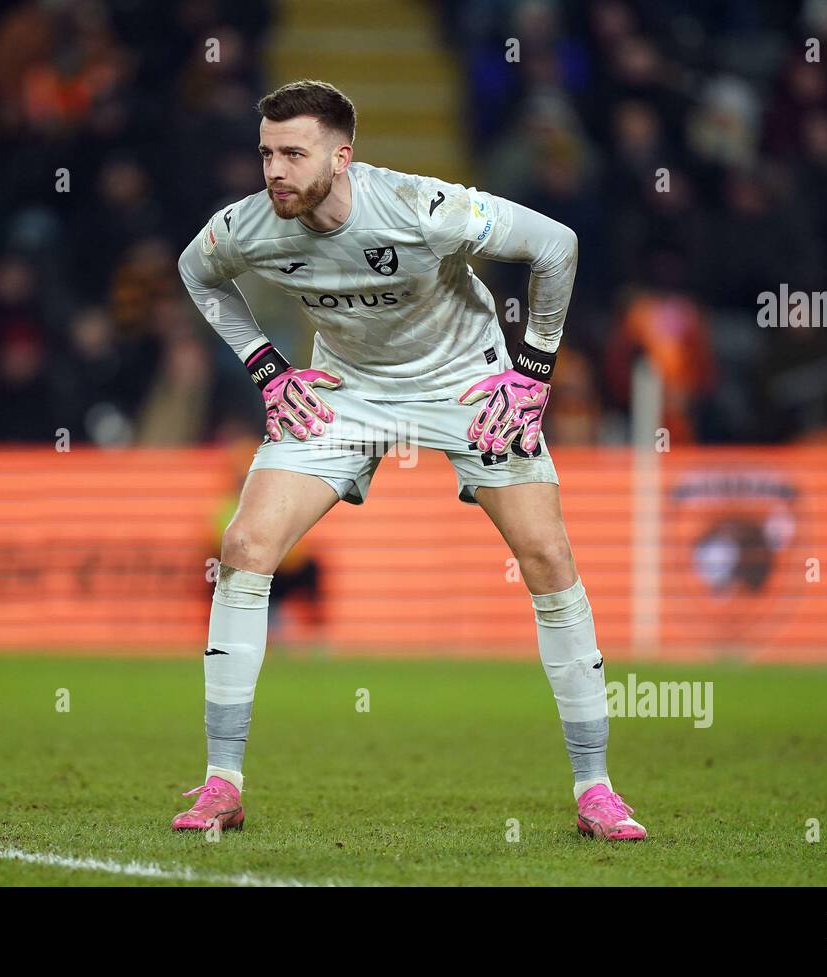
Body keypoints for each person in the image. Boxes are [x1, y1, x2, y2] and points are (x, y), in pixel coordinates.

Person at [173, 79, 646, 841]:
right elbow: (197, 273)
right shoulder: (248, 226)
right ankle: (221, 780)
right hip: (346, 393)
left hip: (467, 385)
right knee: (245, 545)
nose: (275, 172)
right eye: (266, 153)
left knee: (549, 556)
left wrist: (532, 372)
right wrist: (266, 366)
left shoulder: (423, 208)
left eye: (294, 153)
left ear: (342, 156)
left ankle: (596, 787)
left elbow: (557, 246)